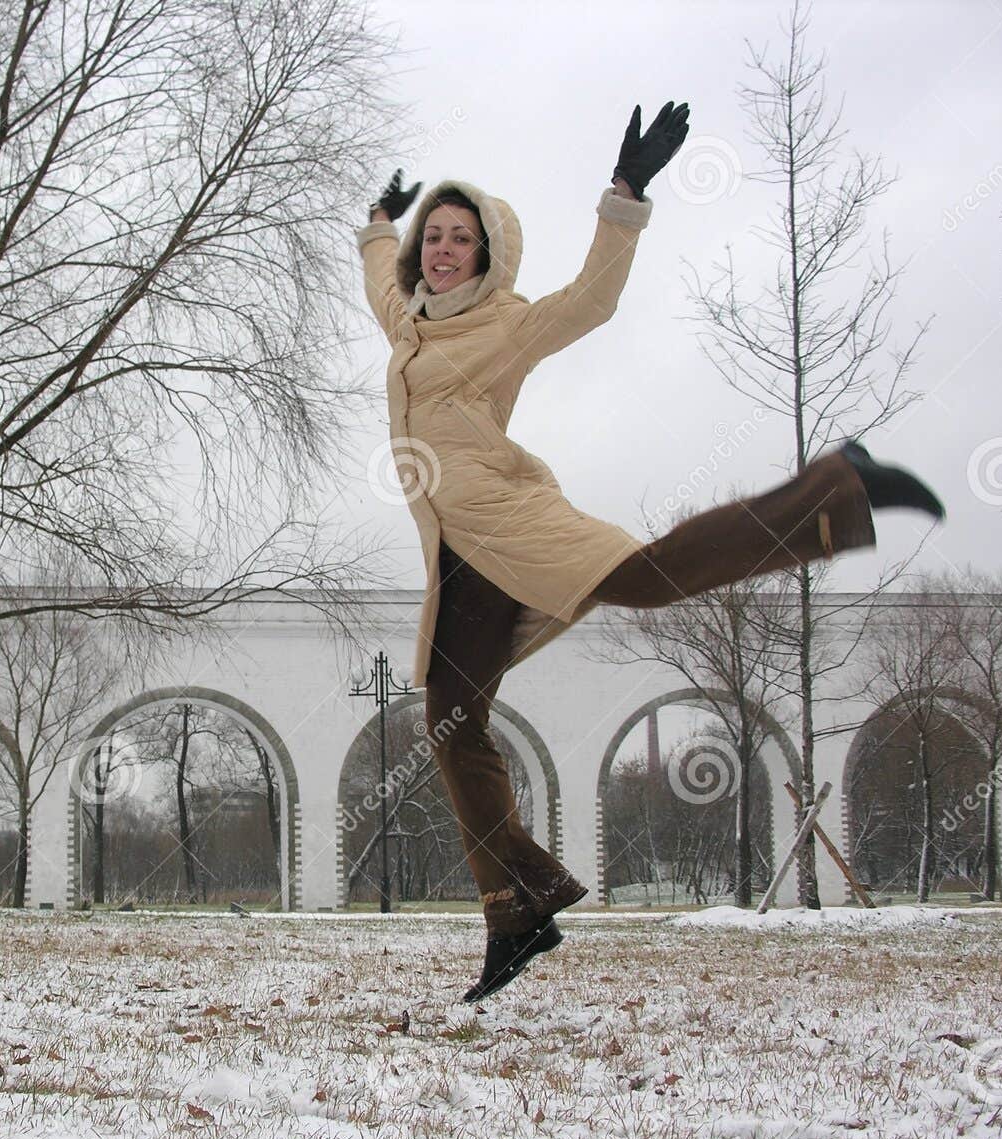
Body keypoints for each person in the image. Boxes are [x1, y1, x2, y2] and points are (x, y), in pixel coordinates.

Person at [356, 103, 943, 1003]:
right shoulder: (407, 323)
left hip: (513, 522)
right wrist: (378, 222)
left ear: (487, 255)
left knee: (653, 579)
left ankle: (836, 489)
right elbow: (378, 278)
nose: (442, 250)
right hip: (462, 555)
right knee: (451, 722)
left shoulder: (505, 323)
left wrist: (625, 195)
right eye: (432, 237)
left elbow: (591, 301)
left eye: (460, 239)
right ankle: (516, 910)